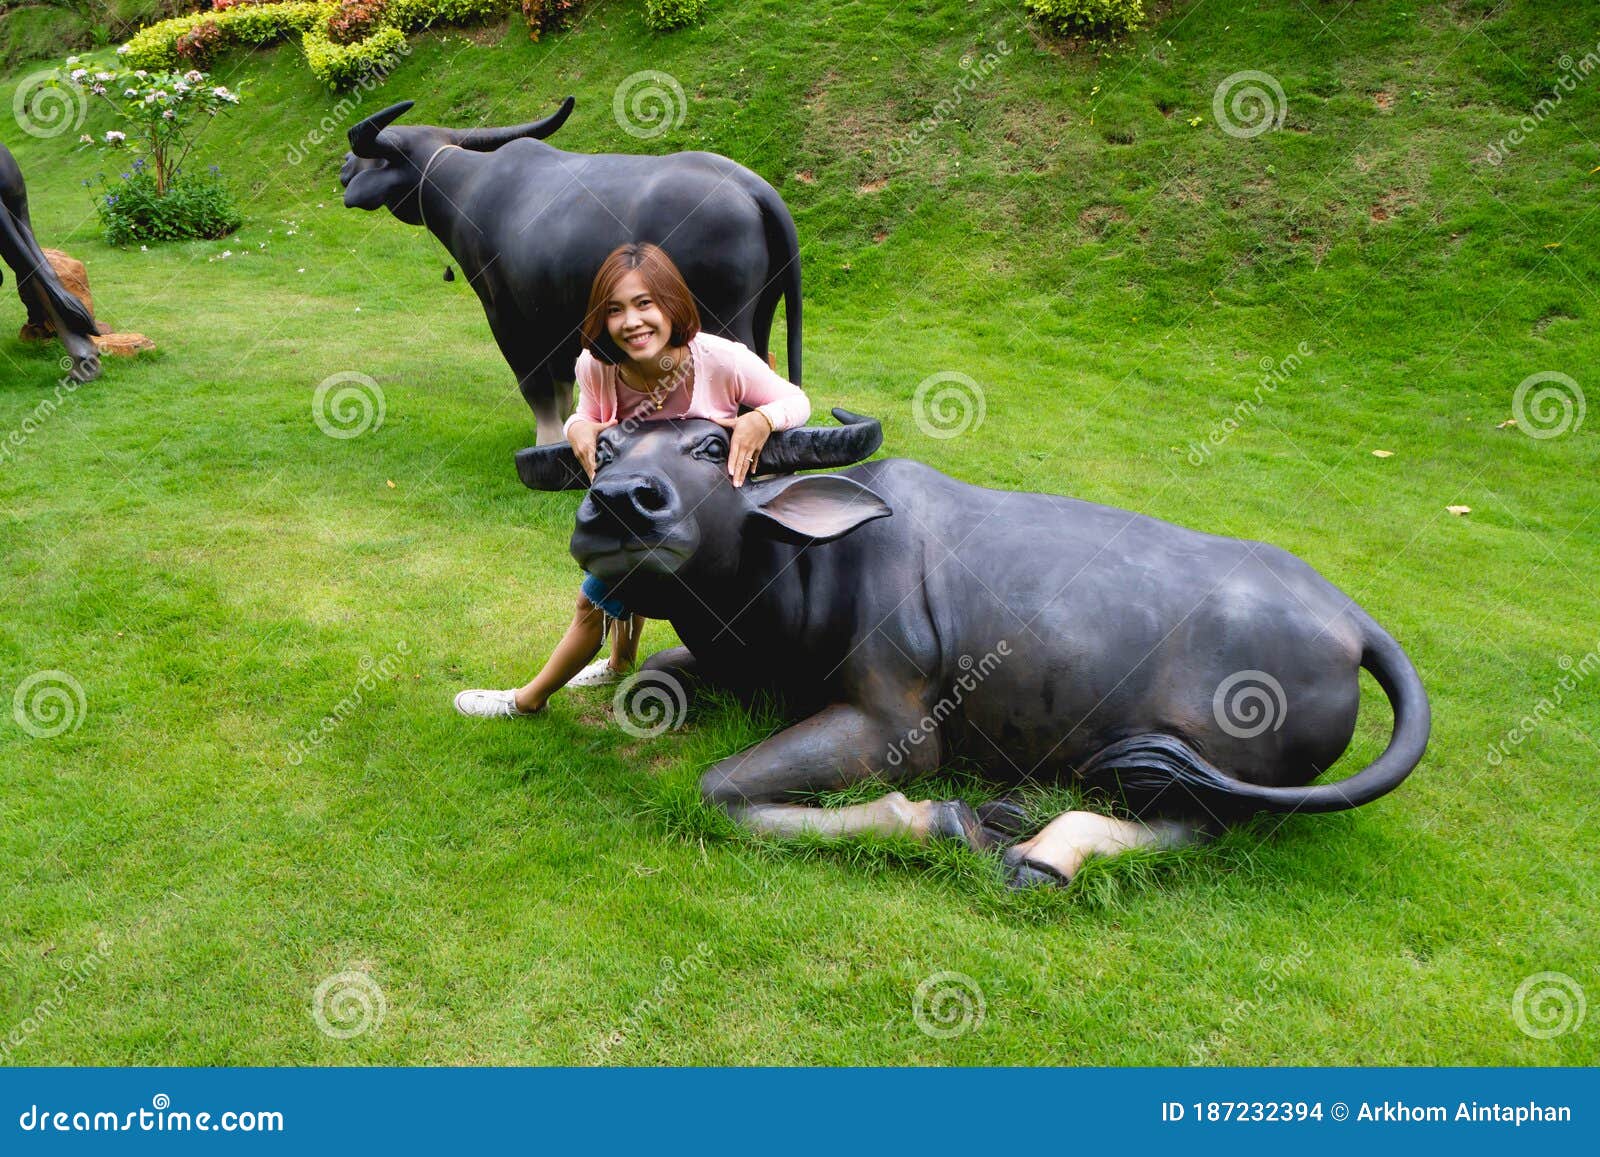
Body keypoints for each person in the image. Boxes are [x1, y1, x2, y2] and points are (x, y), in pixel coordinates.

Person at [454, 241, 810, 718]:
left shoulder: (720, 360)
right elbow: (586, 414)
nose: (632, 322)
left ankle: (528, 700)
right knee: (629, 554)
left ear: (671, 304)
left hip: (709, 519)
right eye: (615, 310)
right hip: (641, 509)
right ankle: (618, 662)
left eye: (645, 304)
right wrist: (577, 427)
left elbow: (796, 401)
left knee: (594, 602)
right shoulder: (598, 367)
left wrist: (762, 418)